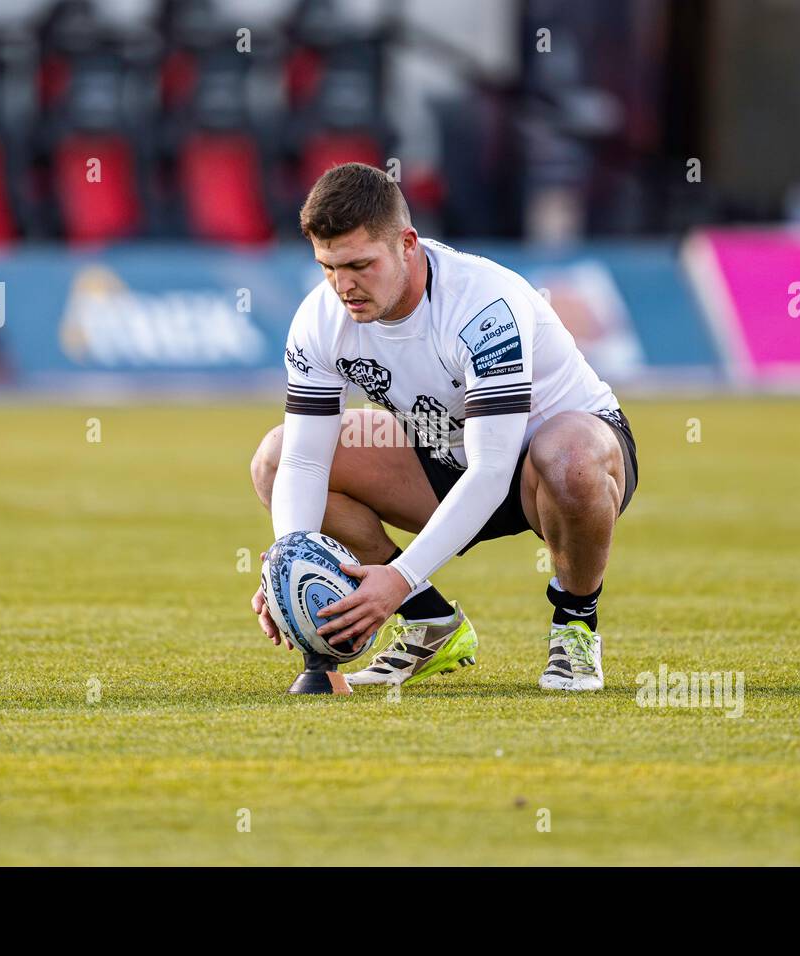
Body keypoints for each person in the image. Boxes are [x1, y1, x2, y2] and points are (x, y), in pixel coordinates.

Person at [250, 163, 637, 691]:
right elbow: (303, 462)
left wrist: (399, 575)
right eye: (328, 267)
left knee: (567, 454)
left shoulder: (482, 306)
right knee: (274, 457)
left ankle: (575, 625)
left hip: (546, 470)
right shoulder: (319, 318)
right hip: (445, 456)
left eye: (360, 264)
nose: (344, 286)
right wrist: (288, 566)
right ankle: (429, 623)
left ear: (408, 244)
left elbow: (494, 468)